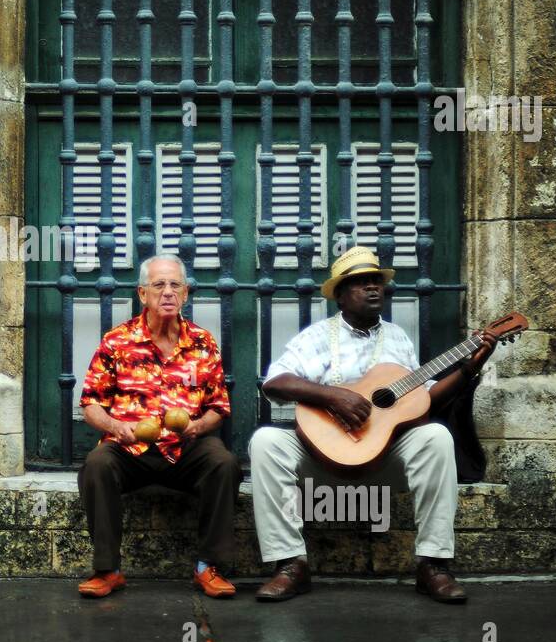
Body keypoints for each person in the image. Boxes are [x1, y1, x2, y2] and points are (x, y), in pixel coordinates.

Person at [250, 246, 497, 604]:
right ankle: (290, 565)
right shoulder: (317, 337)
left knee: (436, 436)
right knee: (266, 442)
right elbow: (274, 383)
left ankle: (434, 564)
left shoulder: (397, 338)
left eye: (377, 282)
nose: (373, 289)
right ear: (340, 295)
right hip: (323, 459)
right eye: (361, 283)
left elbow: (427, 398)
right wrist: (332, 396)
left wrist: (469, 367)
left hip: (383, 460)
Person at [77, 254, 243, 599]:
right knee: (97, 464)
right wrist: (116, 425)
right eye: (159, 285)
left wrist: (197, 427)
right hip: (131, 447)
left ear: (185, 294)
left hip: (185, 447)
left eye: (175, 285)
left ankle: (209, 567)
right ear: (142, 294)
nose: (167, 292)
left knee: (223, 463)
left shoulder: (202, 342)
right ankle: (108, 570)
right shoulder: (117, 341)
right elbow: (90, 403)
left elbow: (218, 407)